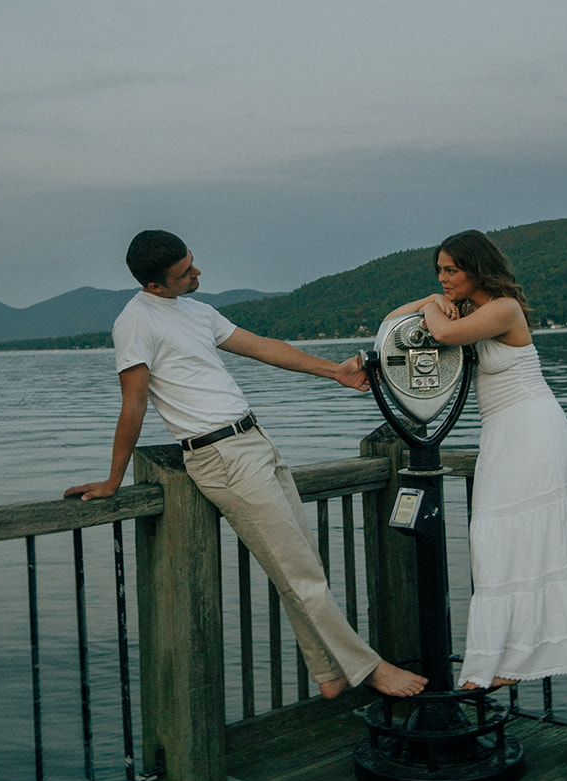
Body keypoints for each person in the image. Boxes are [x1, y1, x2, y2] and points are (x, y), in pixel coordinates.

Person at [64, 230, 426, 701]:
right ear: (154, 285)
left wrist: (333, 371)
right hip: (219, 457)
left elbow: (263, 347)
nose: (197, 273)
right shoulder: (135, 323)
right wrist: (114, 479)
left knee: (303, 564)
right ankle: (369, 668)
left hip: (254, 440)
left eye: (192, 262)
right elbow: (133, 403)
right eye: (184, 272)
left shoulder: (196, 311)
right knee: (299, 573)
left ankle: (328, 673)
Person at [384, 230, 567, 692]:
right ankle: (501, 657)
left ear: (476, 268)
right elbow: (390, 325)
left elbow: (441, 333)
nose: (443, 279)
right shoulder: (468, 311)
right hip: (502, 433)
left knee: (529, 539)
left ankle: (516, 660)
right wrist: (431, 300)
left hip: (534, 430)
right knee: (494, 541)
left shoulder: (504, 309)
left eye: (450, 270)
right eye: (438, 271)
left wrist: (433, 307)